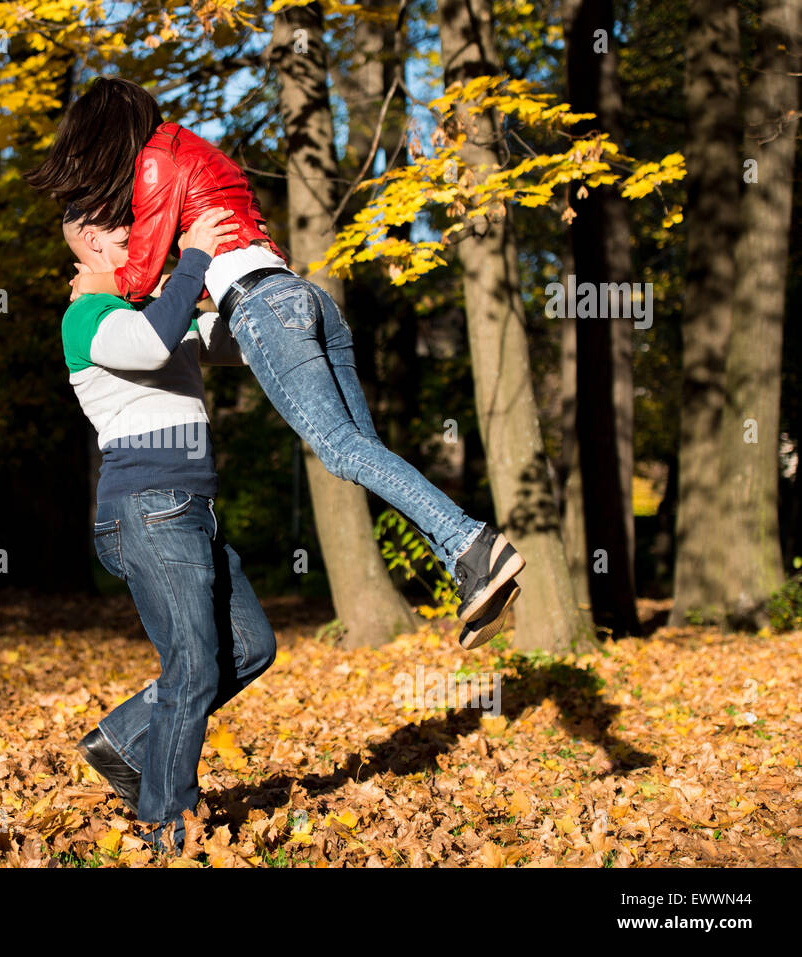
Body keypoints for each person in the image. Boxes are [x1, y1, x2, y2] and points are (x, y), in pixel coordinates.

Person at [26, 77, 522, 649]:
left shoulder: (157, 162)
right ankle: (471, 564)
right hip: (301, 298)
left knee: (339, 449)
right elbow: (174, 287)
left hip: (263, 305)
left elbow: (142, 277)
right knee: (362, 450)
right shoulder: (188, 150)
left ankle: (473, 543)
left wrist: (89, 283)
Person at [61, 205, 276, 855]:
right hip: (146, 509)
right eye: (128, 231)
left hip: (191, 512)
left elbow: (244, 344)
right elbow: (152, 342)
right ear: (93, 242)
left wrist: (266, 281)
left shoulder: (157, 311)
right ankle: (167, 827)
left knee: (249, 646)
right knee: (190, 665)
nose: (143, 235)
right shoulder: (88, 319)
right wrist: (195, 259)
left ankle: (125, 737)